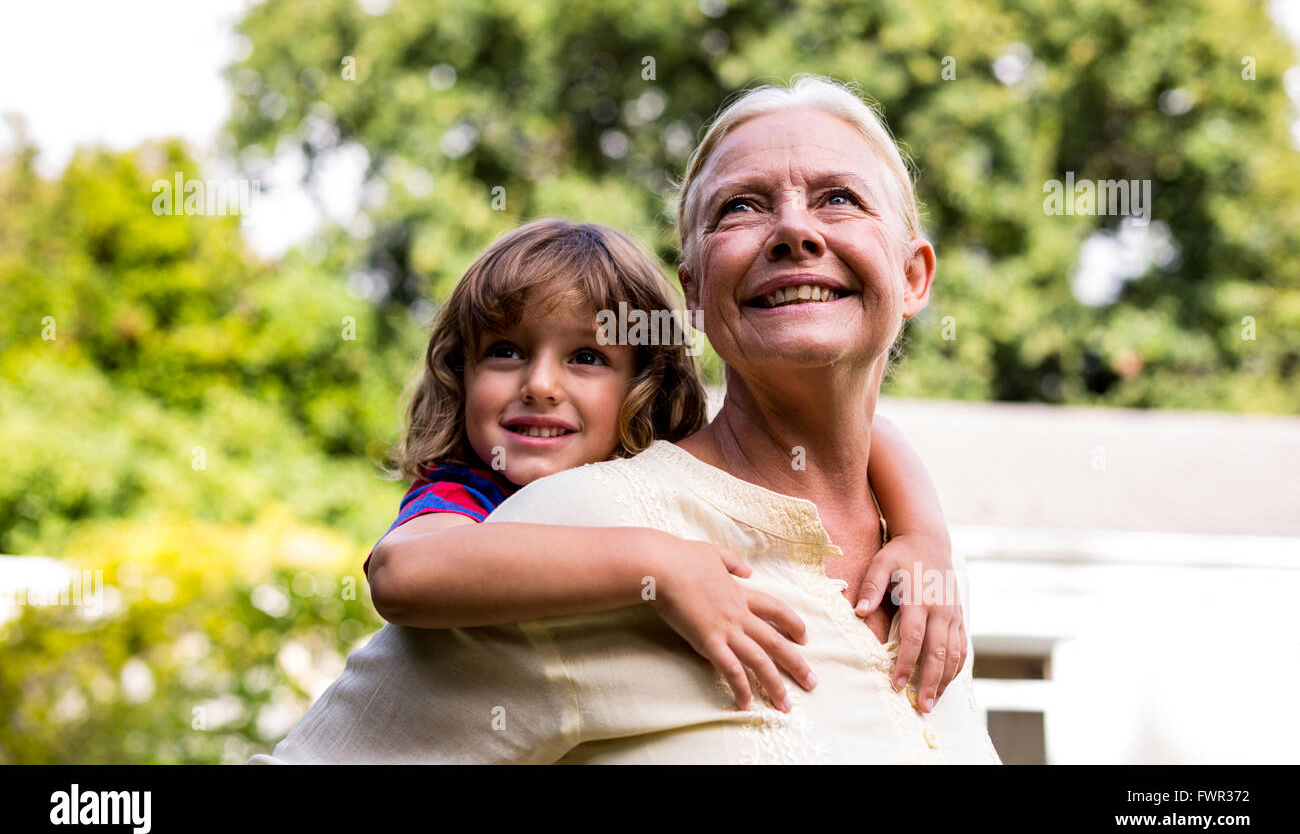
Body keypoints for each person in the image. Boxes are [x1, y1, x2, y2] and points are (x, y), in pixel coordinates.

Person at [250, 76, 999, 764]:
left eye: (840, 197)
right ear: (695, 292)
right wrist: (658, 566)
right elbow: (399, 580)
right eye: (742, 205)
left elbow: (875, 437)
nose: (794, 232)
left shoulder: (924, 580)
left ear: (913, 277)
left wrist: (926, 537)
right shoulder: (572, 529)